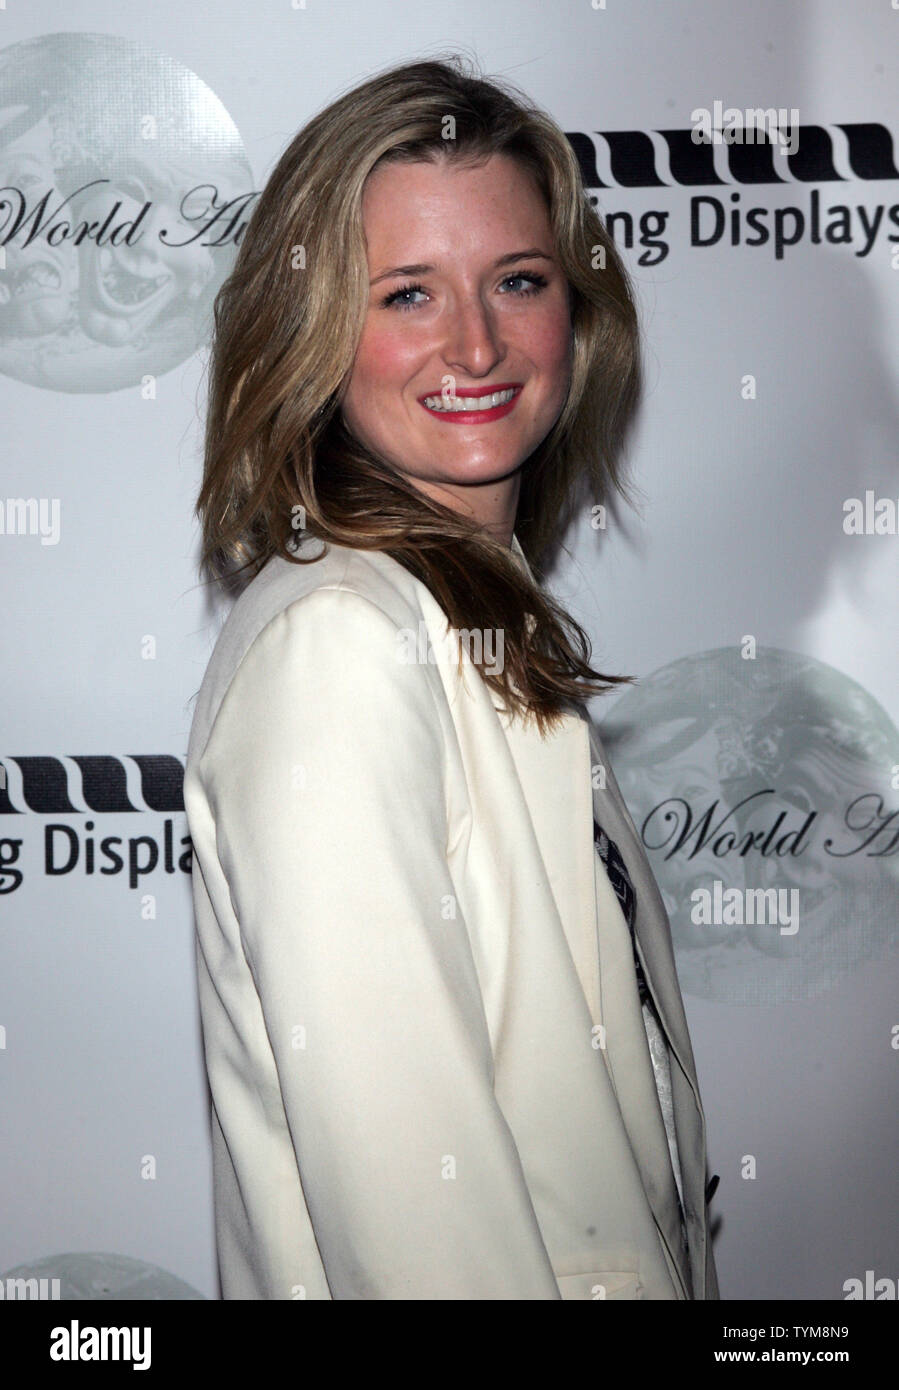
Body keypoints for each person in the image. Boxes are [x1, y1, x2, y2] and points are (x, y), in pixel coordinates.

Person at [184, 53, 721, 1301]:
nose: (473, 342)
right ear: (312, 328)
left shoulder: (462, 614)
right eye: (407, 294)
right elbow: (409, 1204)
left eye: (516, 281)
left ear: (576, 311)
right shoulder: (337, 642)